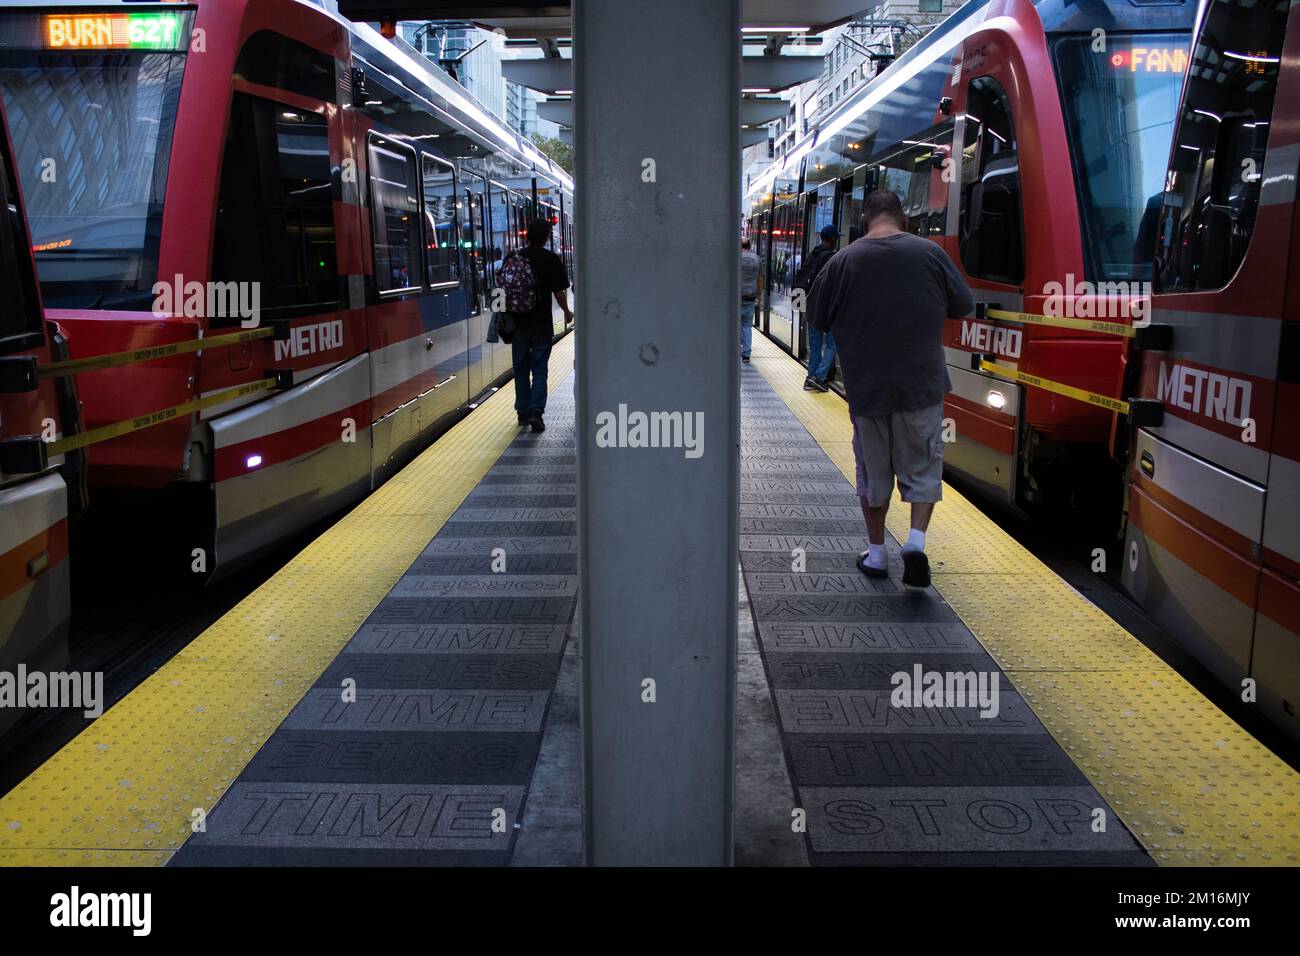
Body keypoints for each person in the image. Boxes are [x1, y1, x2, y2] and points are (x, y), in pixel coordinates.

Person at [807, 189, 973, 588]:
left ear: (865, 219)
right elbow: (963, 305)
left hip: (867, 390)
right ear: (903, 218)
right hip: (921, 387)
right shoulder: (931, 254)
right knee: (922, 466)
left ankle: (878, 554)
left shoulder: (843, 260)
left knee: (873, 472)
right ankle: (915, 543)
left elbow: (816, 315)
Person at [508, 219, 573, 432]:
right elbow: (559, 291)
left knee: (520, 369)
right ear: (546, 236)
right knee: (539, 370)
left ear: (527, 235)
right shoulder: (551, 259)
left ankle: (522, 412)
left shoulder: (514, 258)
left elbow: (501, 290)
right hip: (542, 325)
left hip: (518, 325)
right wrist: (566, 311)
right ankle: (536, 411)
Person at [794, 224, 840, 391]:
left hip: (810, 305)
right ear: (833, 239)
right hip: (827, 308)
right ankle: (820, 377)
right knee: (833, 343)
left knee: (815, 344)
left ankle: (810, 378)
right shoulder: (832, 258)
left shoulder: (812, 255)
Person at [740, 238, 761, 363]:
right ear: (749, 246)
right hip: (750, 296)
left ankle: (737, 349)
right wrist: (759, 295)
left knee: (736, 325)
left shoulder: (735, 258)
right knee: (747, 326)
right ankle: (746, 354)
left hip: (736, 298)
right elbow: (760, 278)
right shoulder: (757, 259)